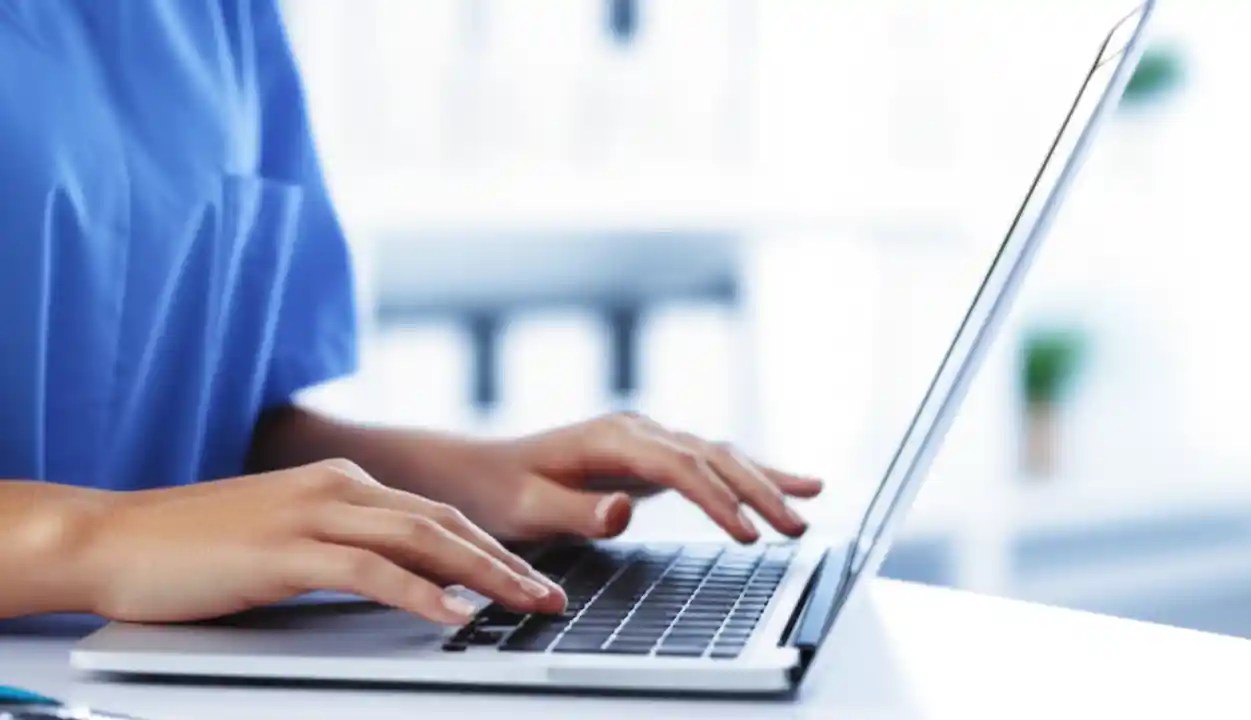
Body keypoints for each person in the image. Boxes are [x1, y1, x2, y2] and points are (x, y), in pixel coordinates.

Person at [0, 2, 821, 626]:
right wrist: (95, 540)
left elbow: (200, 433)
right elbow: (140, 517)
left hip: (163, 670)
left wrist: (480, 482)